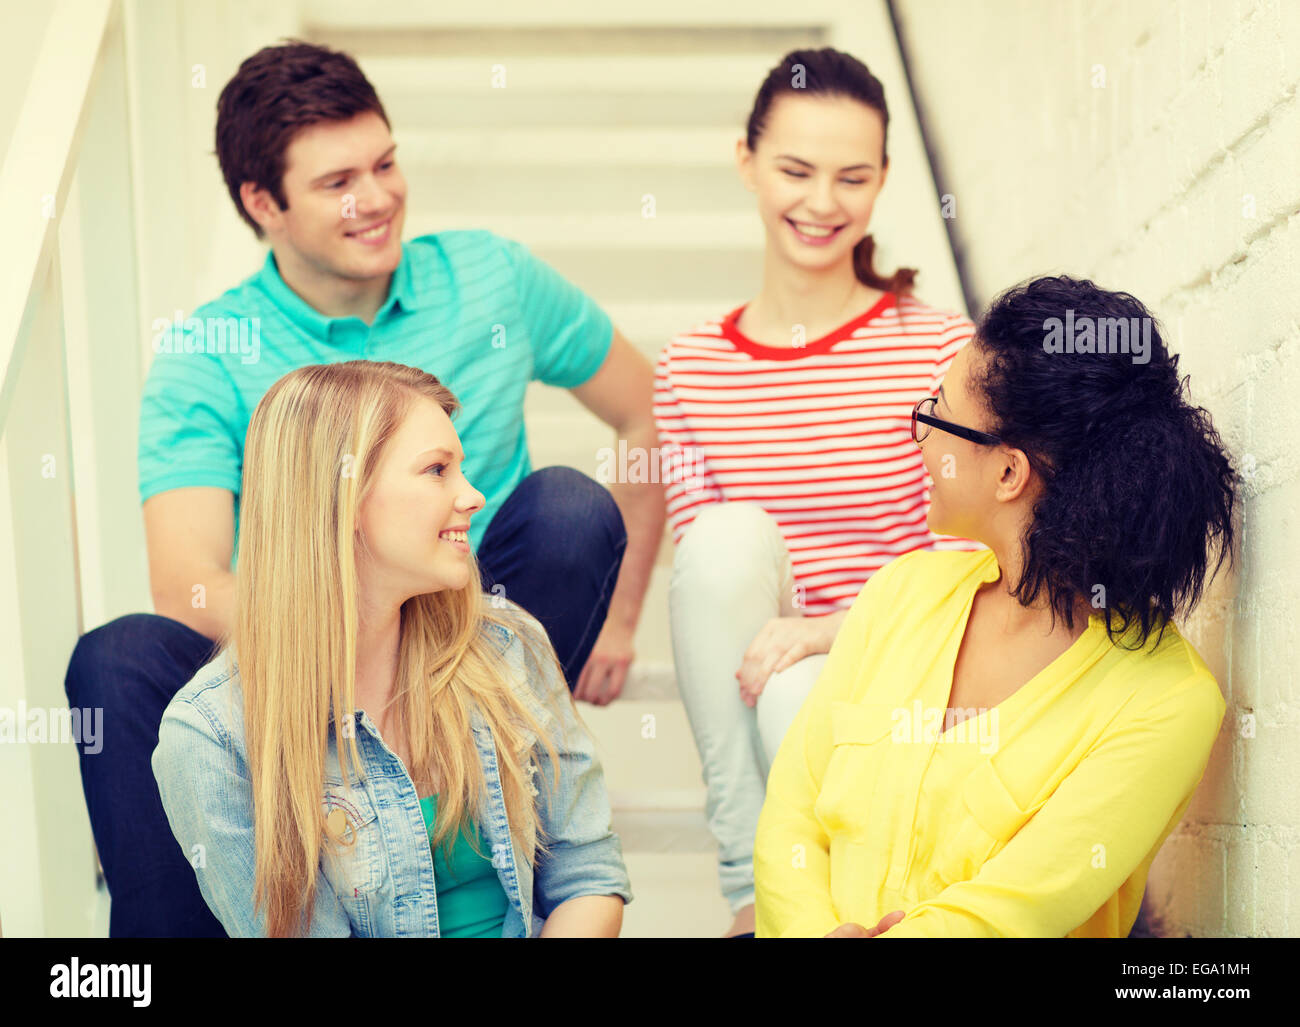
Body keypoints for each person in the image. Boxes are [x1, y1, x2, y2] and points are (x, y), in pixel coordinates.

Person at [65, 39, 663, 937]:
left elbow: (651, 411)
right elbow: (188, 581)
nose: (377, 197)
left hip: (472, 627)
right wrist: (342, 640)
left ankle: (484, 812)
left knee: (572, 508)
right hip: (294, 658)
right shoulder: (208, 351)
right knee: (118, 658)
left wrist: (618, 621)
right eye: (339, 180)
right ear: (261, 203)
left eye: (385, 163)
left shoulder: (492, 276)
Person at [754, 275, 1236, 937]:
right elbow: (791, 817)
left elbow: (1007, 915)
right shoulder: (901, 593)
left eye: (938, 414)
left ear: (1009, 473)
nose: (920, 438)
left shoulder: (1166, 703)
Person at [654, 47, 981, 937]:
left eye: (854, 177)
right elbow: (707, 586)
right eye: (796, 170)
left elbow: (970, 564)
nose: (823, 203)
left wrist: (836, 632)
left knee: (805, 692)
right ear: (747, 162)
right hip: (765, 671)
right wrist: (795, 643)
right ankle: (754, 893)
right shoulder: (690, 367)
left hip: (903, 664)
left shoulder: (940, 347)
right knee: (722, 544)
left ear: (882, 183)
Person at [151, 361, 631, 936]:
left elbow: (587, 874)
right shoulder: (211, 737)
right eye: (437, 470)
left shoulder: (509, 643)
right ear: (343, 498)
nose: (473, 496)